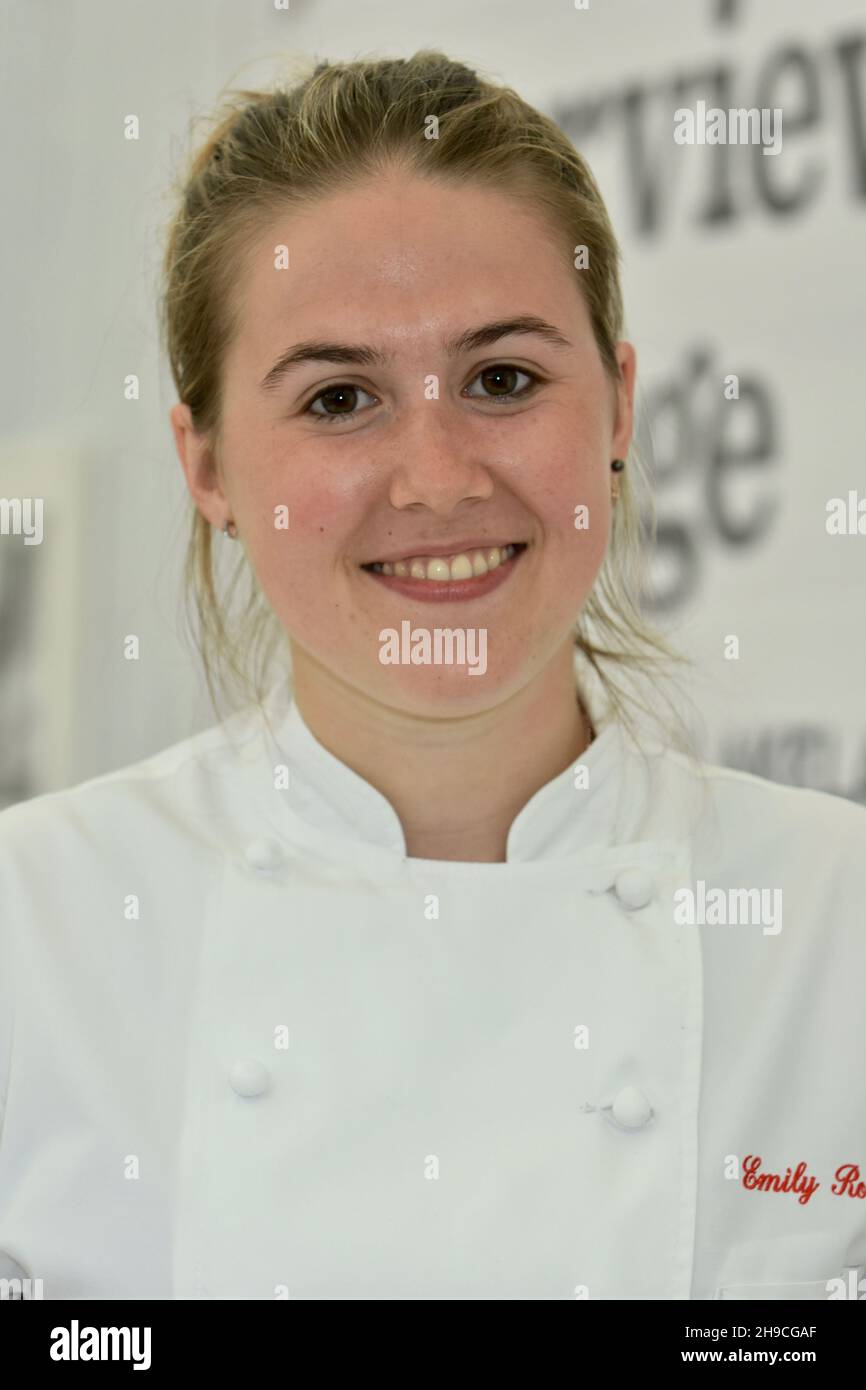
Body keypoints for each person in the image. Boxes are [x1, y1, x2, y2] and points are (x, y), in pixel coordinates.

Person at [1, 51, 864, 1303]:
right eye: (339, 397)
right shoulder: (36, 931)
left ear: (617, 411)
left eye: (501, 379)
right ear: (206, 467)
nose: (438, 476)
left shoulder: (831, 931)